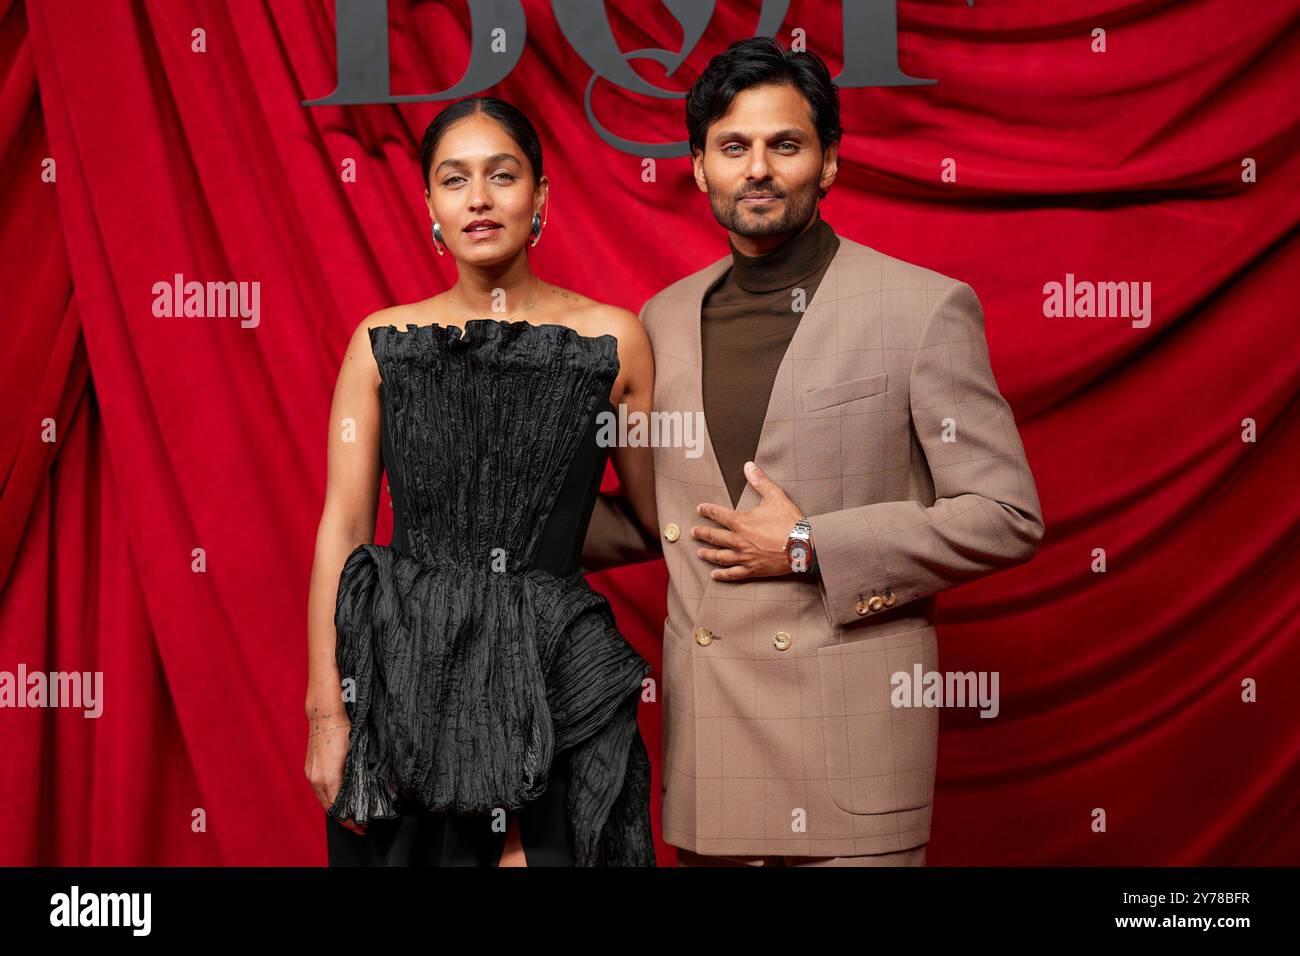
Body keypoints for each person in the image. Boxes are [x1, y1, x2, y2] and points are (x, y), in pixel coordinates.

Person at [584, 37, 1045, 866]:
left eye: (785, 145)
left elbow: (1006, 515)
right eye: (733, 147)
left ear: (828, 163)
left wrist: (808, 546)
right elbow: (668, 522)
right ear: (698, 168)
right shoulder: (658, 320)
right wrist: (493, 527)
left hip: (851, 759)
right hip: (713, 759)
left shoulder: (922, 308)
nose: (757, 169)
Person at [304, 96, 659, 866]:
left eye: (503, 175)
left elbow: (648, 518)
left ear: (539, 196)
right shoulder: (380, 343)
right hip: (405, 679)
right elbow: (345, 530)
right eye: (454, 179)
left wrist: (535, 545)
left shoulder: (612, 338)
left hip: (552, 675)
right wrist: (328, 713)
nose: (480, 198)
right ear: (430, 205)